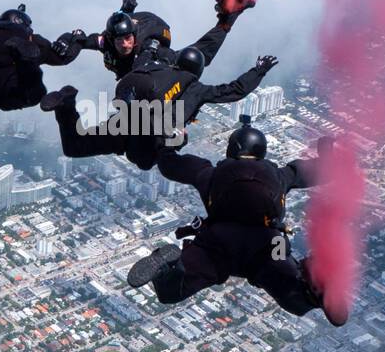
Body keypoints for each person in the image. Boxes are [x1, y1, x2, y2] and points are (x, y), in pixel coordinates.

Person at [127, 121, 349, 326]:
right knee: (296, 301)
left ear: (231, 149)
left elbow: (172, 166)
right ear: (262, 151)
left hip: (217, 243)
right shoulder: (280, 176)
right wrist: (326, 154)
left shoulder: (210, 174)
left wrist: (167, 147)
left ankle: (171, 266)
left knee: (170, 292)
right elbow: (316, 172)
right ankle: (317, 287)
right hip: (270, 246)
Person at [41, 50, 278, 170]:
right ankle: (166, 142)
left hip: (125, 121)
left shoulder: (159, 71)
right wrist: (259, 70)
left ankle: (66, 105)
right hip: (149, 135)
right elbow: (235, 90)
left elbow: (140, 59)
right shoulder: (197, 87)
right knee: (146, 160)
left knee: (73, 146)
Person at [74, 0, 256, 79]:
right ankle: (126, 11)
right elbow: (82, 40)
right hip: (135, 24)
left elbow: (193, 57)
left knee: (196, 58)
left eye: (128, 39)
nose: (124, 45)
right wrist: (65, 44)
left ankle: (230, 16)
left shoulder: (151, 50)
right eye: (119, 40)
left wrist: (225, 24)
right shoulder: (106, 41)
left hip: (154, 31)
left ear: (134, 37)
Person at [0, 4, 83, 111]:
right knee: (33, 87)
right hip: (17, 95)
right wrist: (75, 38)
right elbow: (63, 57)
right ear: (22, 22)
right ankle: (23, 59)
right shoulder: (32, 40)